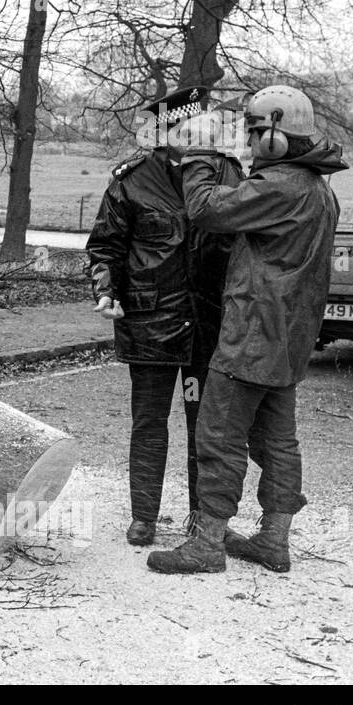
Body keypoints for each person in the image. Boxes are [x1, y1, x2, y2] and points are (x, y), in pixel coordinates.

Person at [148, 85, 347, 574]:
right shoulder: (318, 187)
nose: (252, 140)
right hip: (289, 340)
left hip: (253, 335)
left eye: (257, 131)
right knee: (278, 442)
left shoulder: (283, 185)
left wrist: (197, 155)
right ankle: (273, 541)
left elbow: (208, 210)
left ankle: (207, 544)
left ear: (278, 132)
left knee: (218, 437)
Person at [87, 86, 243, 546]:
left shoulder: (227, 173)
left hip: (207, 327)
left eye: (201, 127)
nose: (194, 135)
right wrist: (105, 291)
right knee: (150, 422)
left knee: (205, 427)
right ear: (163, 132)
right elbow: (105, 247)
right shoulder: (132, 179)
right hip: (151, 326)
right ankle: (144, 517)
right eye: (183, 128)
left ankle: (202, 518)